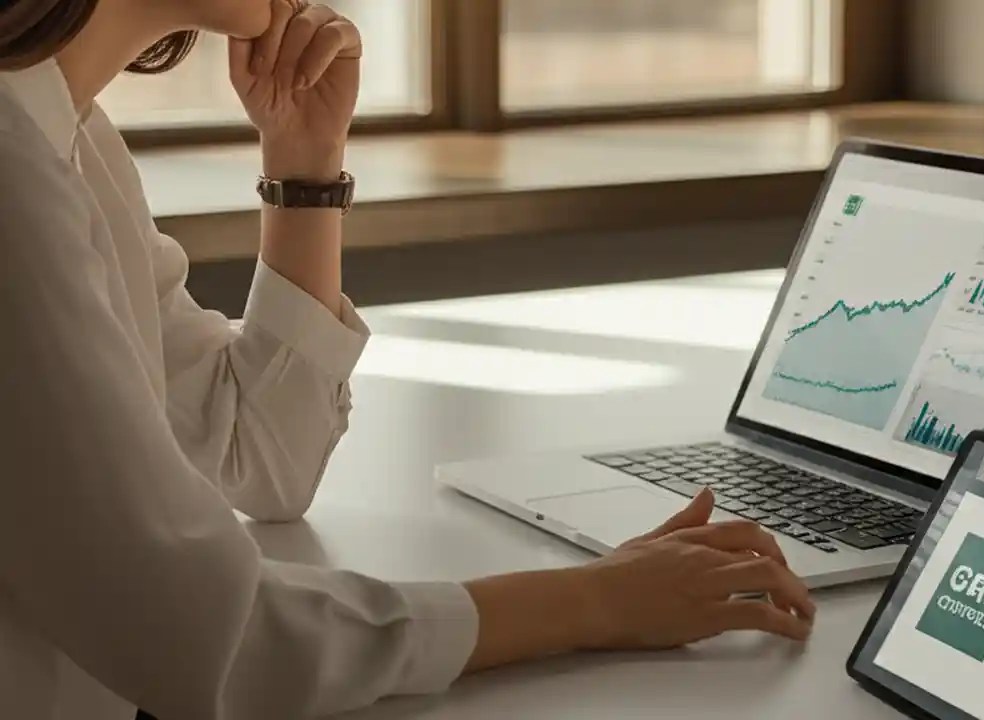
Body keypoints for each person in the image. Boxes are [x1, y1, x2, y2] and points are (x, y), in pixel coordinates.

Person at [0, 1, 816, 718]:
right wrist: (596, 600)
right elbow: (203, 636)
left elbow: (261, 461)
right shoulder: (15, 177)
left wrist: (303, 165)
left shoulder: (69, 137)